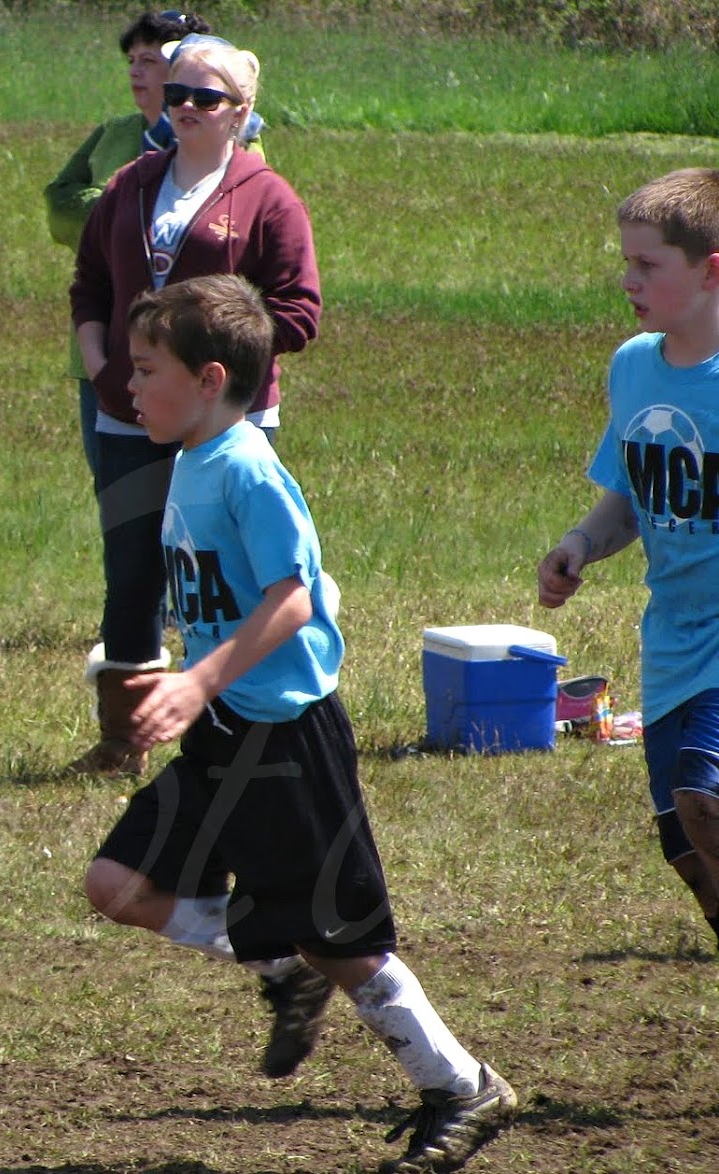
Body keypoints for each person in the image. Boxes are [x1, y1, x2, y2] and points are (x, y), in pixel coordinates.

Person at [86, 274, 517, 1174]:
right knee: (117, 884)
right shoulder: (192, 462)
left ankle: (459, 1083)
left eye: (146, 368)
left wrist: (200, 677)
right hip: (221, 737)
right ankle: (282, 965)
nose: (130, 386)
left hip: (283, 741)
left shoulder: (244, 466)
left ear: (209, 378)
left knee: (346, 940)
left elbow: (297, 598)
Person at [67, 37, 319, 777]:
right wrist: (103, 367)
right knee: (132, 565)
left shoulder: (268, 195)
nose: (184, 107)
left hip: (222, 421)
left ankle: (236, 717)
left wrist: (220, 365)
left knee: (227, 569)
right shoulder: (130, 184)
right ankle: (125, 737)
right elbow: (88, 285)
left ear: (240, 111)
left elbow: (299, 312)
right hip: (129, 410)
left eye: (203, 98)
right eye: (175, 94)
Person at [539, 167, 719, 952]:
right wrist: (581, 544)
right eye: (626, 262)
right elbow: (628, 498)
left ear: (712, 269)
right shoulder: (634, 366)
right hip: (671, 639)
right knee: (685, 846)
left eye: (648, 267)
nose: (627, 281)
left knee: (700, 793)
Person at [45, 10, 264, 484]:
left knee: (203, 521)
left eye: (151, 60)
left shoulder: (246, 157)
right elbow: (60, 212)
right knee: (127, 518)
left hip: (205, 376)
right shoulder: (114, 136)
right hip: (113, 364)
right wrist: (102, 367)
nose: (136, 72)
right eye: (132, 60)